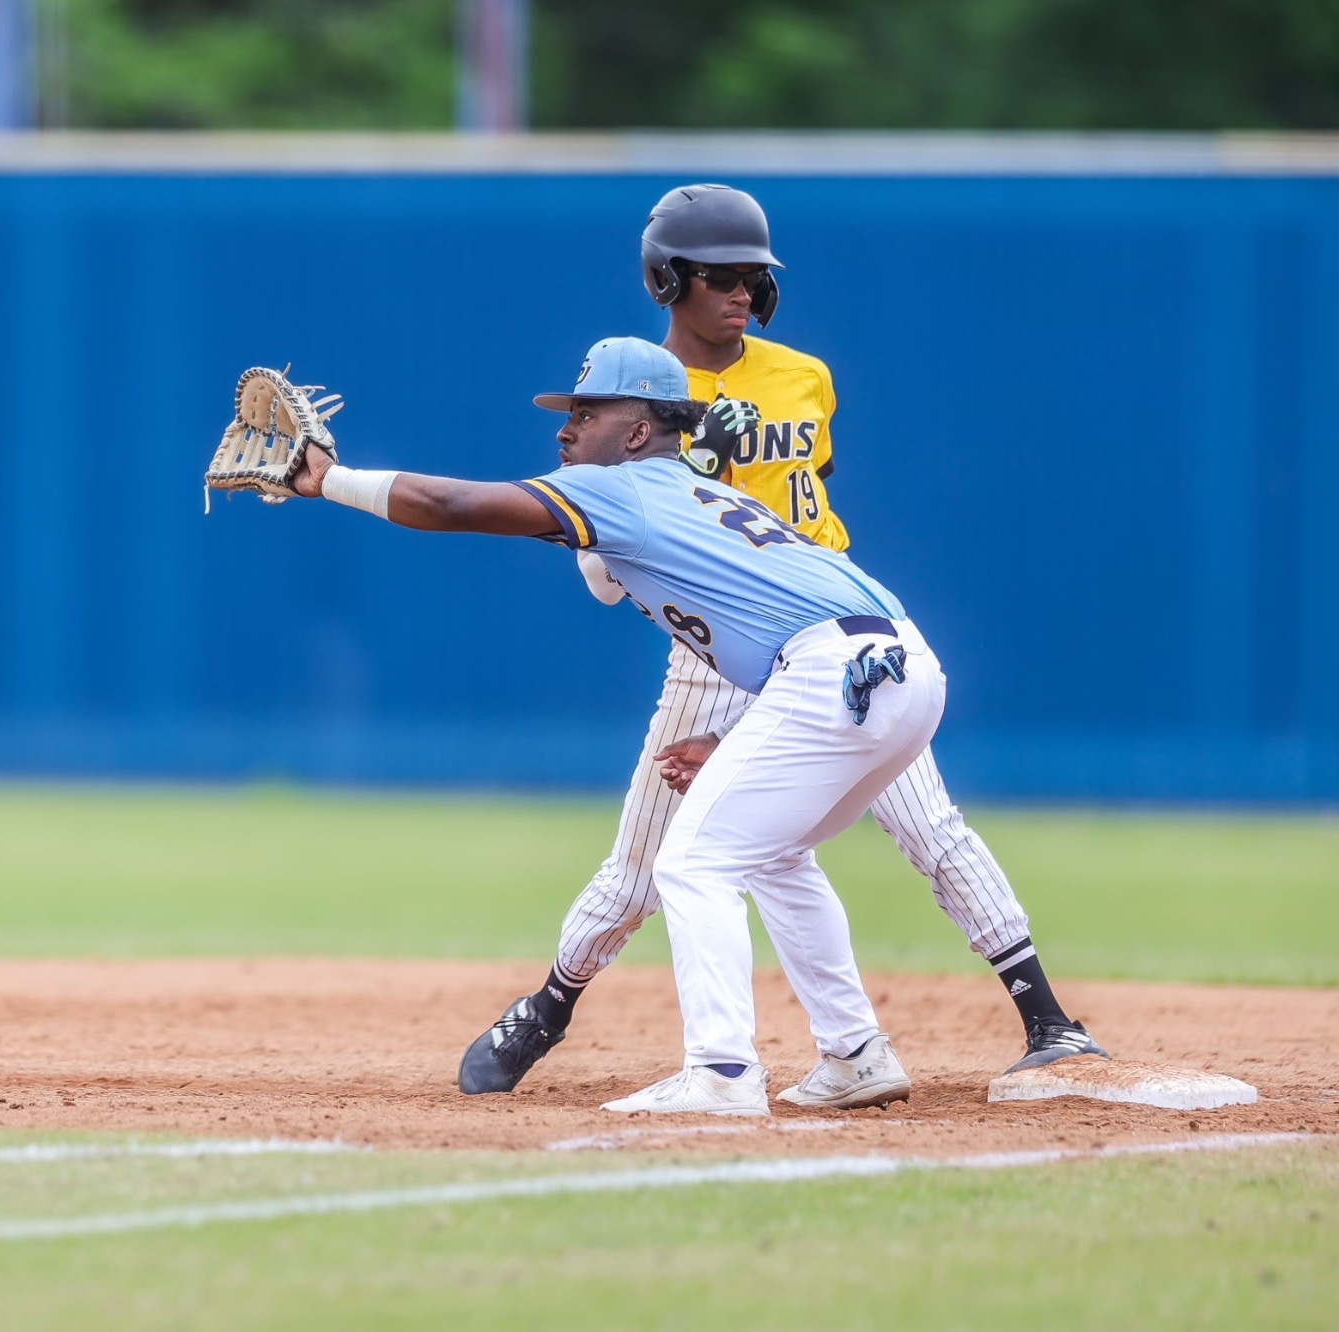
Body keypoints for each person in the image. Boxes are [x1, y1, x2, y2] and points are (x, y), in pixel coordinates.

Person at [457, 185, 1109, 1098]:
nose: (744, 292)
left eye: (755, 277)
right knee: (647, 864)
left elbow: (807, 503)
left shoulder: (802, 374)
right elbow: (612, 545)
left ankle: (1046, 1020)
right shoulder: (638, 399)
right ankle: (552, 1004)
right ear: (668, 279)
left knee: (928, 827)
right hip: (715, 647)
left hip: (821, 630)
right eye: (721, 274)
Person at [292, 335, 939, 1114]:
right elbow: (619, 580)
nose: (567, 428)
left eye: (589, 412)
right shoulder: (701, 493)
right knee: (774, 854)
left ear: (638, 433)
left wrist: (329, 479)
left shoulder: (625, 490)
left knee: (691, 862)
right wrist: (737, 740)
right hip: (901, 668)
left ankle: (724, 1075)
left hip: (832, 672)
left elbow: (451, 505)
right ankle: (856, 1053)